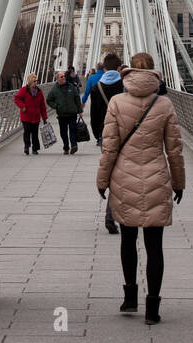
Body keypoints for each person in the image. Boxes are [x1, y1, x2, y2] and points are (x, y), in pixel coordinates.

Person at [96, 51, 185, 324]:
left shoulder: (116, 102)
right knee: (154, 245)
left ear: (129, 71)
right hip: (157, 177)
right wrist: (179, 183)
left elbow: (109, 147)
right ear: (153, 72)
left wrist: (102, 181)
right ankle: (153, 307)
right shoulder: (164, 105)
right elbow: (175, 150)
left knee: (127, 239)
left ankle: (130, 297)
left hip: (124, 178)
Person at [81, 52, 125, 233]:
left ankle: (110, 213)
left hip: (106, 136)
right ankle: (115, 214)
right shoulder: (125, 86)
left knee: (113, 172)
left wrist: (99, 135)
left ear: (104, 68)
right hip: (125, 136)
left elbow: (95, 116)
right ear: (119, 68)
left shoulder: (96, 87)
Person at [45, 70, 82, 153]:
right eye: (62, 77)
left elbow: (77, 98)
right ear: (58, 79)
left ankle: (74, 145)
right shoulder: (54, 90)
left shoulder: (71, 87)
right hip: (62, 114)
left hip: (72, 113)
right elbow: (48, 100)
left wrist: (80, 111)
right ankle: (66, 147)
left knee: (73, 130)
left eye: (64, 76)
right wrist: (56, 106)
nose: (64, 78)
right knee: (63, 132)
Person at [14, 73, 47, 154]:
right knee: (27, 132)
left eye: (36, 81)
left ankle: (35, 149)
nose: (36, 82)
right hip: (26, 116)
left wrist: (44, 117)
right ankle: (26, 146)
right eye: (34, 81)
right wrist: (22, 106)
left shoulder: (39, 92)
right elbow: (16, 98)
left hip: (36, 116)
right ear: (30, 81)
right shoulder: (24, 90)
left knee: (35, 133)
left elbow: (42, 105)